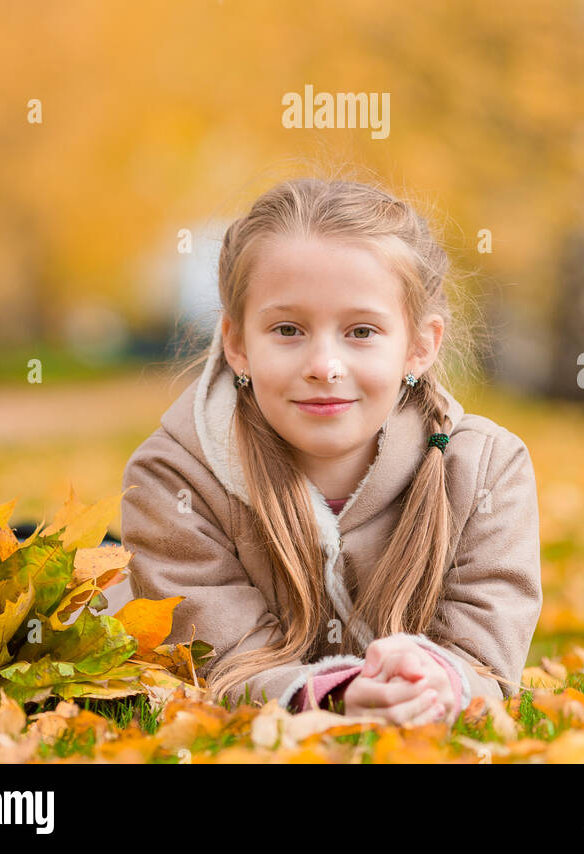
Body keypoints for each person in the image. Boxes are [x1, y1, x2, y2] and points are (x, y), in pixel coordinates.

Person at [121, 176, 542, 726]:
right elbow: (218, 664)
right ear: (237, 344)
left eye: (361, 331)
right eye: (289, 329)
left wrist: (437, 683)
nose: (324, 364)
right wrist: (337, 693)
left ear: (419, 346)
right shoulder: (172, 479)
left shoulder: (488, 471)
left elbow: (486, 656)